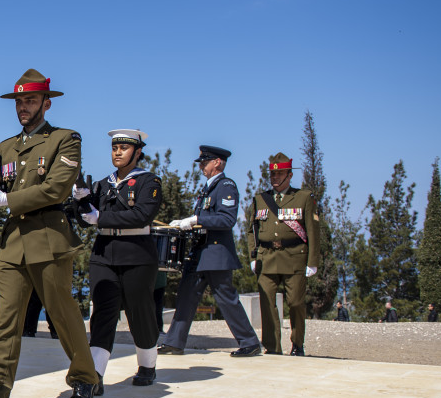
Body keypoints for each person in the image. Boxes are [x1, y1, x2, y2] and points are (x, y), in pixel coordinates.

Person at [0, 69, 101, 398]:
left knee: (63, 313)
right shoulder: (5, 148)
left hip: (49, 239)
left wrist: (5, 201)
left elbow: (55, 189)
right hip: (13, 244)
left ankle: (85, 378)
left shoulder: (65, 139)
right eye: (19, 101)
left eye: (30, 100)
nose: (23, 107)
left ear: (46, 103)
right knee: (6, 322)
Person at [155, 146, 264, 357]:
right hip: (200, 252)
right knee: (186, 296)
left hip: (215, 253)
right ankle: (174, 342)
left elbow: (226, 220)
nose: (202, 166)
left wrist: (196, 220)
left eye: (206, 161)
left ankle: (249, 342)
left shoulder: (226, 186)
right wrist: (184, 223)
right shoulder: (207, 188)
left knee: (226, 299)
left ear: (218, 163)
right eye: (201, 162)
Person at [78, 129, 162, 385]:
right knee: (103, 312)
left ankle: (147, 365)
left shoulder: (150, 182)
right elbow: (84, 221)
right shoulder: (103, 184)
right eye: (115, 147)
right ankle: (96, 374)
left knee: (140, 311)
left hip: (137, 253)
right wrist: (79, 201)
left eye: (124, 148)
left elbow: (142, 216)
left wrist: (100, 217)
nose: (117, 152)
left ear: (137, 153)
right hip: (105, 252)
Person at [247, 152, 321, 357]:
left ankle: (297, 344)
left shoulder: (304, 197)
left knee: (296, 303)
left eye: (279, 175)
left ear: (289, 175)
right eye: (272, 175)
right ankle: (273, 347)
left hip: (294, 256)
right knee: (266, 303)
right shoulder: (261, 199)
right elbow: (251, 230)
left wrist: (312, 261)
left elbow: (314, 231)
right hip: (267, 257)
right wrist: (253, 257)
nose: (275, 178)